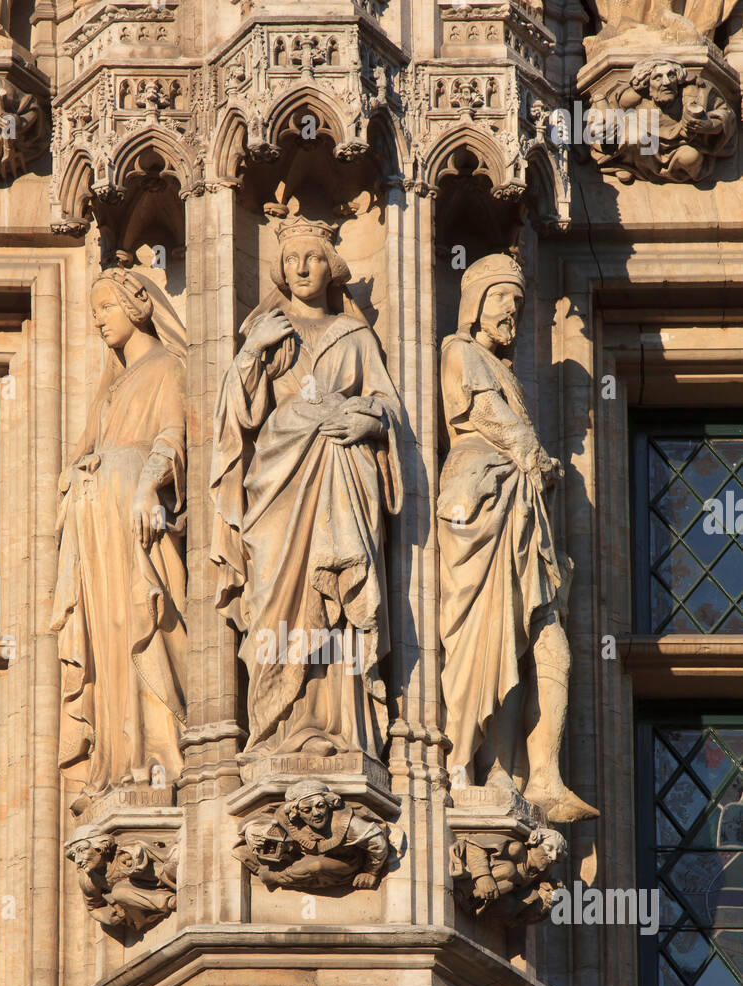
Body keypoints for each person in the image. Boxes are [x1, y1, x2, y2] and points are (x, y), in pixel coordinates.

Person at [210, 216, 402, 761]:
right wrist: (251, 354)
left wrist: (372, 423)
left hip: (343, 478)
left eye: (312, 257)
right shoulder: (267, 330)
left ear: (332, 268)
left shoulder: (356, 336)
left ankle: (343, 727)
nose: (300, 267)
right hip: (278, 486)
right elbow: (237, 419)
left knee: (339, 596)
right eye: (290, 258)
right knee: (278, 597)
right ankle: (278, 727)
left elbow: (388, 405)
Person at [438, 253, 598, 823]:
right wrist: (530, 449)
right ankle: (465, 759)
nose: (513, 309)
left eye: (519, 300)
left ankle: (527, 771)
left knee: (536, 633)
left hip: (521, 506)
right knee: (487, 630)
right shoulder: (459, 352)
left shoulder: (506, 371)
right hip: (479, 499)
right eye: (503, 297)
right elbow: (487, 415)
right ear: (475, 301)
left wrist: (535, 461)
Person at [51, 262, 187, 816]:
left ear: (136, 306)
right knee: (106, 639)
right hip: (97, 526)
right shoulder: (110, 388)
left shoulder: (166, 368)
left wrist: (148, 487)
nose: (99, 321)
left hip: (134, 521)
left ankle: (158, 755)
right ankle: (115, 759)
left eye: (106, 308)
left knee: (146, 628)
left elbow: (175, 436)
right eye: (93, 313)